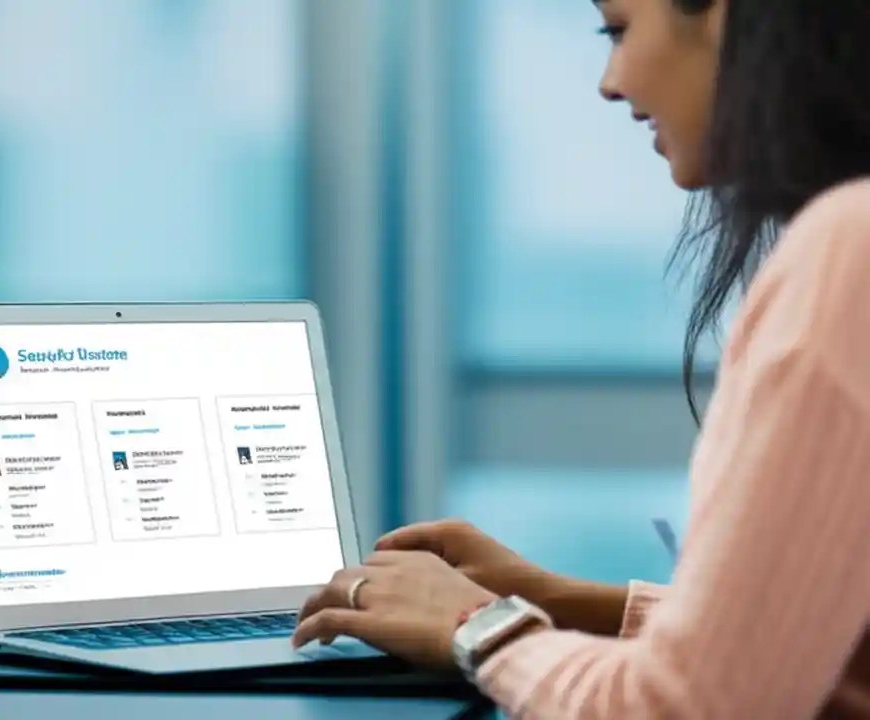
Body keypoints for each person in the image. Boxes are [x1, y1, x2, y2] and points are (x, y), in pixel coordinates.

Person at [292, 1, 870, 717]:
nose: (610, 82)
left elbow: (681, 708)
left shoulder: (849, 246)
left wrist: (477, 627)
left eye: (618, 29)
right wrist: (560, 602)